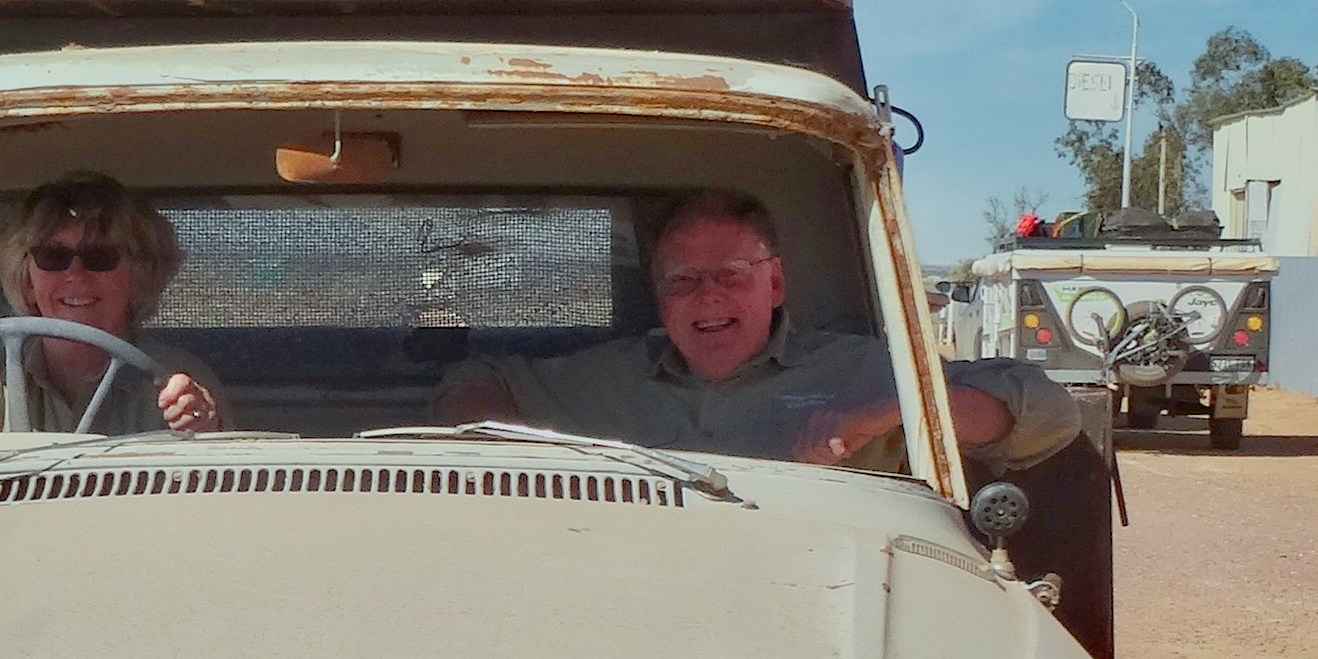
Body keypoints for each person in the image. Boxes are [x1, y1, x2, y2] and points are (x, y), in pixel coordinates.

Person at [432, 188, 1085, 468]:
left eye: (731, 275)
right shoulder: (607, 376)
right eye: (683, 281)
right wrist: (503, 460)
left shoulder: (863, 371)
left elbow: (1050, 412)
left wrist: (885, 415)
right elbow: (478, 379)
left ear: (774, 284)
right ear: (659, 299)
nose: (707, 298)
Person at [0, 171, 230, 450]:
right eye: (53, 256)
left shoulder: (179, 385)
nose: (75, 273)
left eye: (100, 256)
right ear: (27, 277)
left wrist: (205, 432)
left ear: (137, 275)